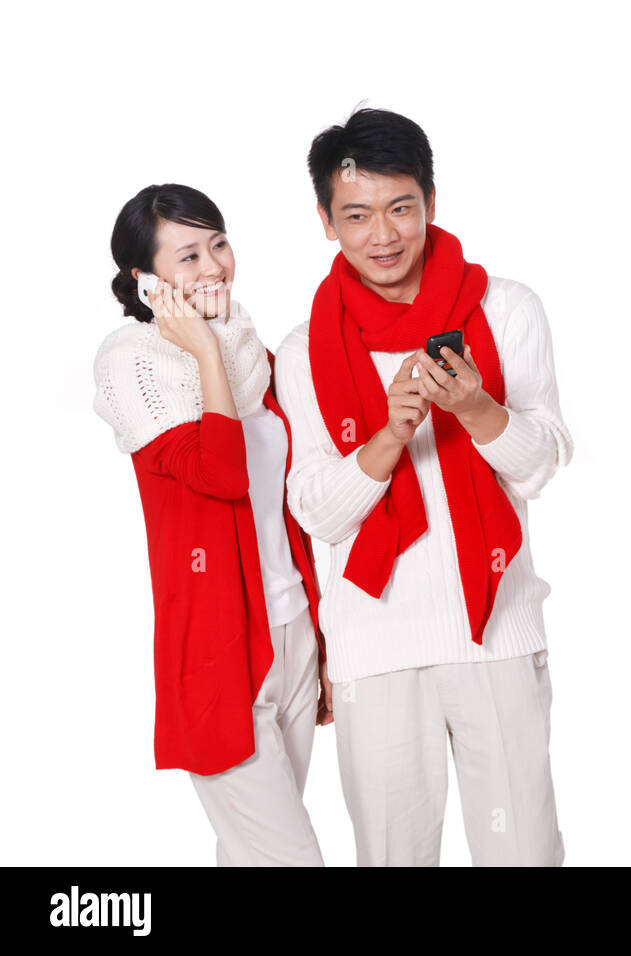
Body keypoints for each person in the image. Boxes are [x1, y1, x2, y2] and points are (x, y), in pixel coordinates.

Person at [274, 108, 572, 867]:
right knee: (392, 858)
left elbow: (540, 464)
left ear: (431, 202)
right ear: (325, 221)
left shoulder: (504, 308)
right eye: (358, 215)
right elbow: (314, 509)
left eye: (401, 207)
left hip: (496, 629)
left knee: (524, 854)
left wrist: (476, 408)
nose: (384, 235)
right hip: (372, 642)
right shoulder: (305, 350)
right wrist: (387, 439)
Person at [93, 184, 328, 866]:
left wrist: (325, 636)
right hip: (218, 649)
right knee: (291, 859)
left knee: (248, 854)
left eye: (218, 244)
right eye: (188, 255)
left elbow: (290, 505)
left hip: (293, 637)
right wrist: (200, 349)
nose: (215, 267)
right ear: (146, 281)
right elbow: (221, 474)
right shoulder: (131, 364)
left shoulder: (252, 352)